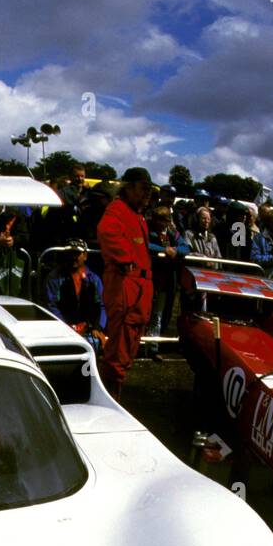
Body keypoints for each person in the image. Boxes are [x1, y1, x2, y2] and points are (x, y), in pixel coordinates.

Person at [96, 168, 154, 397]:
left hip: (139, 287)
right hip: (125, 285)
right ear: (128, 187)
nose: (147, 193)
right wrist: (124, 259)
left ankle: (114, 394)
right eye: (143, 188)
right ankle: (110, 399)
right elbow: (106, 231)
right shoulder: (118, 210)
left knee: (131, 342)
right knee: (120, 345)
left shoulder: (136, 213)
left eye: (149, 189)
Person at [147, 206, 188, 360]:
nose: (165, 223)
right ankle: (150, 346)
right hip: (151, 276)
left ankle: (154, 345)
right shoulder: (148, 229)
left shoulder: (172, 232)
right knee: (152, 314)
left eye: (166, 220)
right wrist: (164, 249)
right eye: (162, 220)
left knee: (162, 314)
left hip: (168, 279)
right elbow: (145, 244)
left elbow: (186, 248)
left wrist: (175, 250)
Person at [44, 242, 106, 341]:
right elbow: (51, 305)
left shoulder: (94, 279)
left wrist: (97, 327)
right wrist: (66, 327)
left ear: (85, 256)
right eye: (70, 254)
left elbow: (102, 305)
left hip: (88, 328)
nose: (73, 257)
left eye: (77, 254)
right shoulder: (54, 278)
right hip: (62, 327)